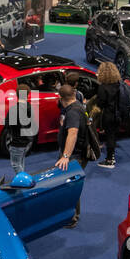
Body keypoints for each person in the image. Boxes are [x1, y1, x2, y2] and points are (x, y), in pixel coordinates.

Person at [55, 84, 93, 228]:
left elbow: (73, 133)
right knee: (69, 186)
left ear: (62, 99)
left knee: (71, 187)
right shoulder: (79, 106)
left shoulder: (72, 113)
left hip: (74, 156)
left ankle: (72, 217)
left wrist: (65, 155)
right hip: (78, 153)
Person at [93, 61, 122, 169]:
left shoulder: (103, 87)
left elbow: (101, 103)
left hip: (108, 115)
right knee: (113, 135)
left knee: (109, 136)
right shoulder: (119, 84)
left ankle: (110, 160)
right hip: (118, 114)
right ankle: (111, 151)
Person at [5, 83, 37, 174]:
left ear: (16, 94)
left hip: (17, 141)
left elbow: (8, 125)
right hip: (27, 140)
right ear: (28, 94)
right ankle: (22, 176)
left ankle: (22, 181)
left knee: (15, 164)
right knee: (21, 161)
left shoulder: (14, 109)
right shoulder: (30, 107)